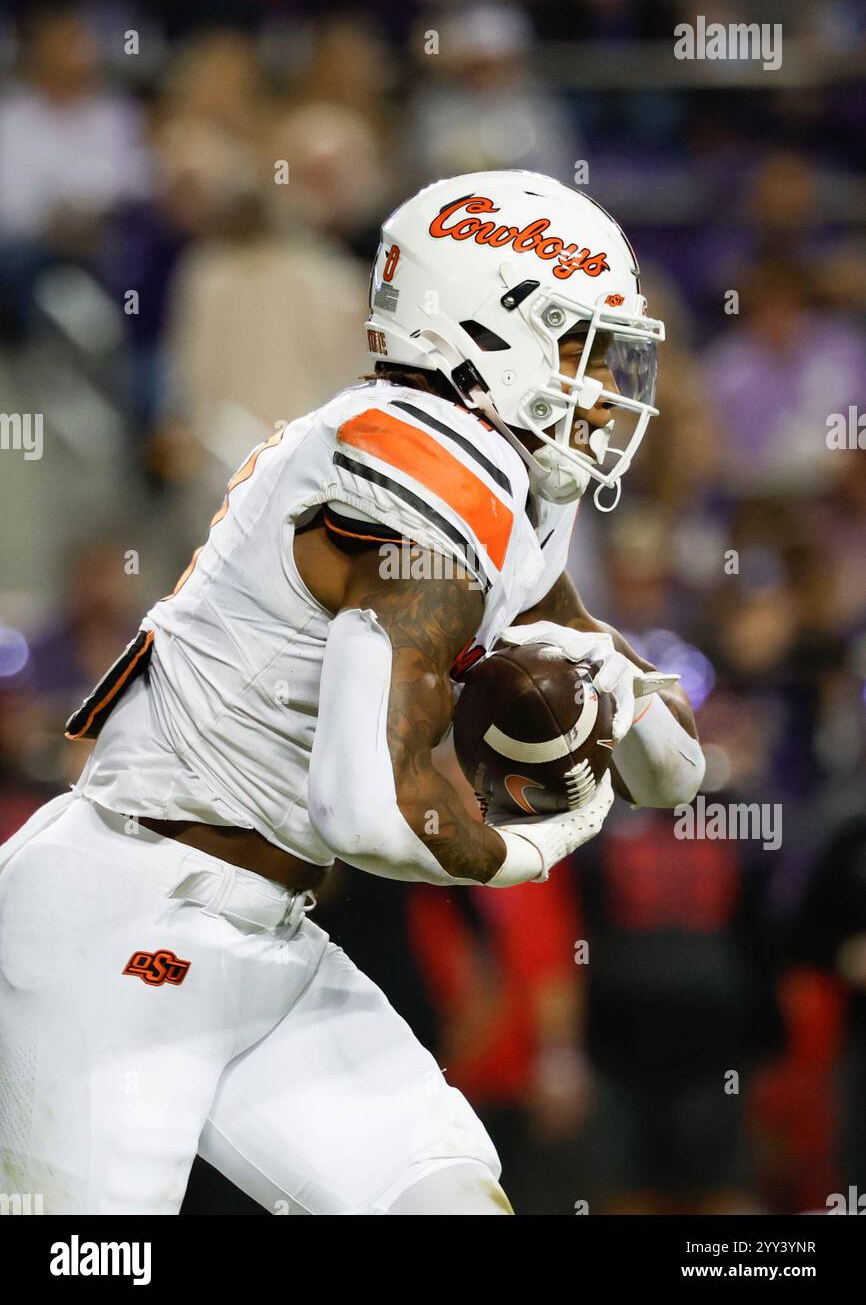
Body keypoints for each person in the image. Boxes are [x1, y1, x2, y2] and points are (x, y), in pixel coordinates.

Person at [0, 170, 704, 1215]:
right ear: (476, 326)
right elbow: (363, 814)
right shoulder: (419, 468)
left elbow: (670, 760)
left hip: (267, 937)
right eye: (573, 348)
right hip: (120, 929)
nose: (601, 388)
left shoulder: (503, 487)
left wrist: (612, 704)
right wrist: (530, 846)